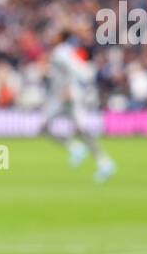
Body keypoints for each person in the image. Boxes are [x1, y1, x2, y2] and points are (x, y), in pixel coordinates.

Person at [40, 32, 115, 182]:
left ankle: (104, 162)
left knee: (80, 130)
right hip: (60, 97)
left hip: (69, 96)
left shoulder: (61, 52)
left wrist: (69, 89)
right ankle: (76, 149)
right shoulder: (65, 52)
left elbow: (74, 70)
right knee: (45, 128)